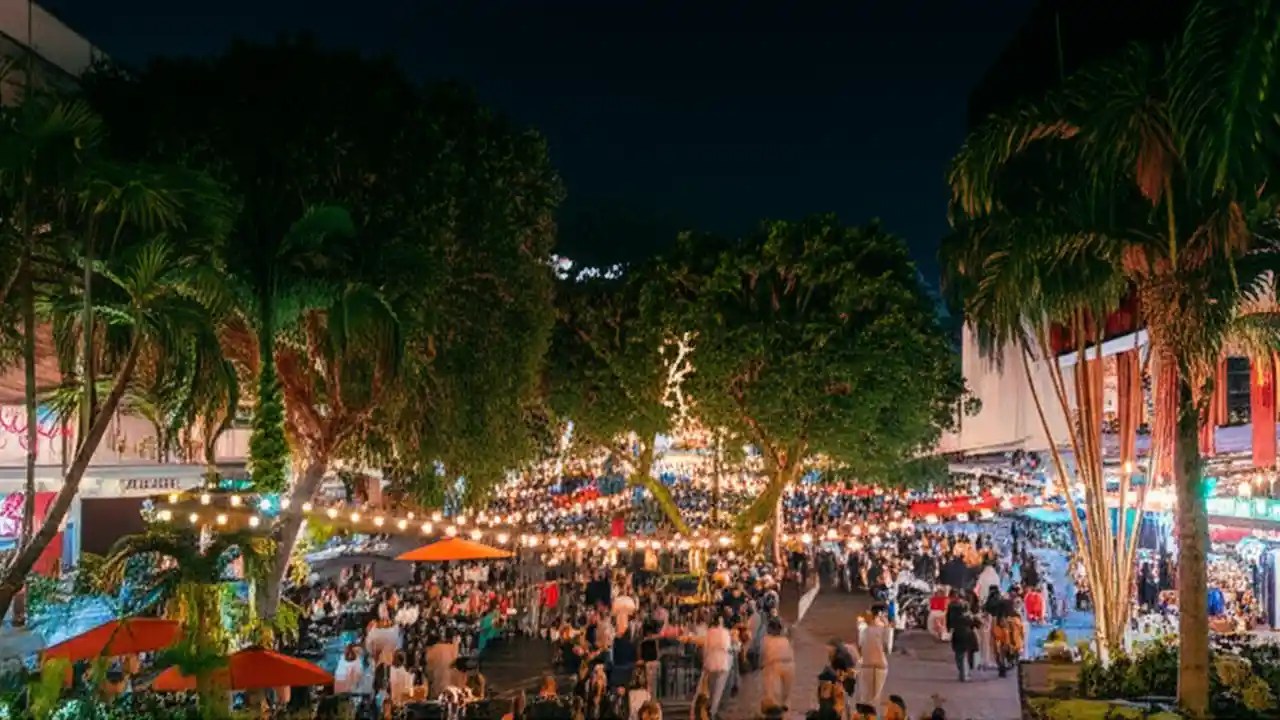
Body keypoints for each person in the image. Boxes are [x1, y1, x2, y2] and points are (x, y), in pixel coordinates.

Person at [684, 615, 734, 718]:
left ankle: (708, 708)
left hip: (711, 663)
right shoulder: (725, 633)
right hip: (723, 663)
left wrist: (705, 661)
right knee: (718, 690)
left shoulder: (709, 633)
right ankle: (713, 711)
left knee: (711, 688)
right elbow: (727, 647)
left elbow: (706, 649)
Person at [854, 604, 891, 706]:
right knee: (874, 700)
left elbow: (860, 645)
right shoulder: (884, 629)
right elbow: (888, 647)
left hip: (867, 664)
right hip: (880, 664)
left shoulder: (864, 628)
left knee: (865, 698)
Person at [760, 617, 794, 712]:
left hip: (778, 664)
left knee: (778, 691)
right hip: (784, 663)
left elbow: (762, 654)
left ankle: (779, 707)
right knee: (781, 690)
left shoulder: (768, 639)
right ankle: (780, 707)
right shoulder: (781, 638)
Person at [945, 594, 979, 682]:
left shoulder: (953, 613)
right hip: (967, 634)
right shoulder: (967, 616)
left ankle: (962, 673)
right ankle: (964, 674)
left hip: (957, 634)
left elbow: (949, 622)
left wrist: (948, 629)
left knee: (959, 655)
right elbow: (976, 624)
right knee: (963, 655)